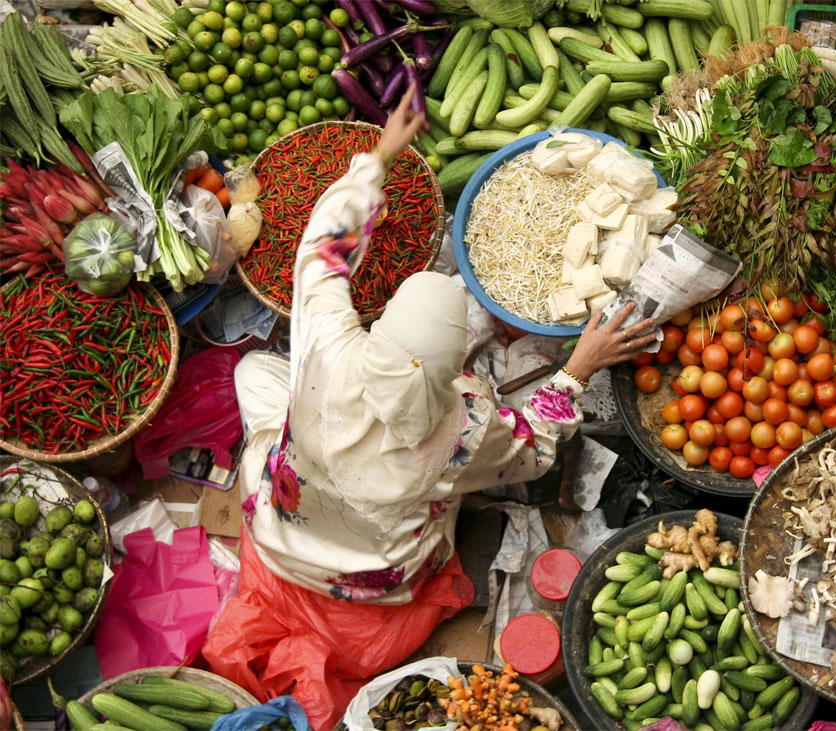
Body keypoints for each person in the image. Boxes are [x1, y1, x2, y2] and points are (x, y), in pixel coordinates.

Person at [202, 86, 656, 729]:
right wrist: (580, 366)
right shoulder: (463, 427)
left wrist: (377, 159)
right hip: (376, 572)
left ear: (379, 328)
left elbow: (321, 254)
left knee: (255, 371)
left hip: (282, 525)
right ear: (454, 370)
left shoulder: (330, 347)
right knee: (468, 476)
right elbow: (531, 451)